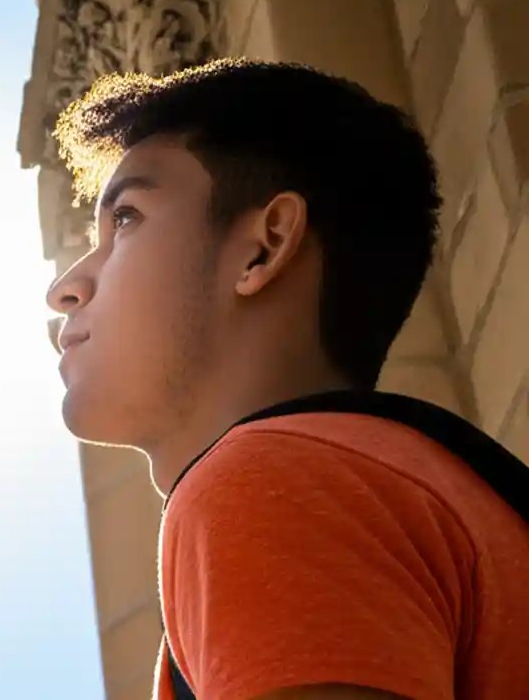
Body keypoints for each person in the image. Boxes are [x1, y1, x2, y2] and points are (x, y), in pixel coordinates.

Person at [45, 58, 529, 700]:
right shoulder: (416, 485)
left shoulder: (265, 482)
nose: (66, 288)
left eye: (125, 219)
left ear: (264, 247)